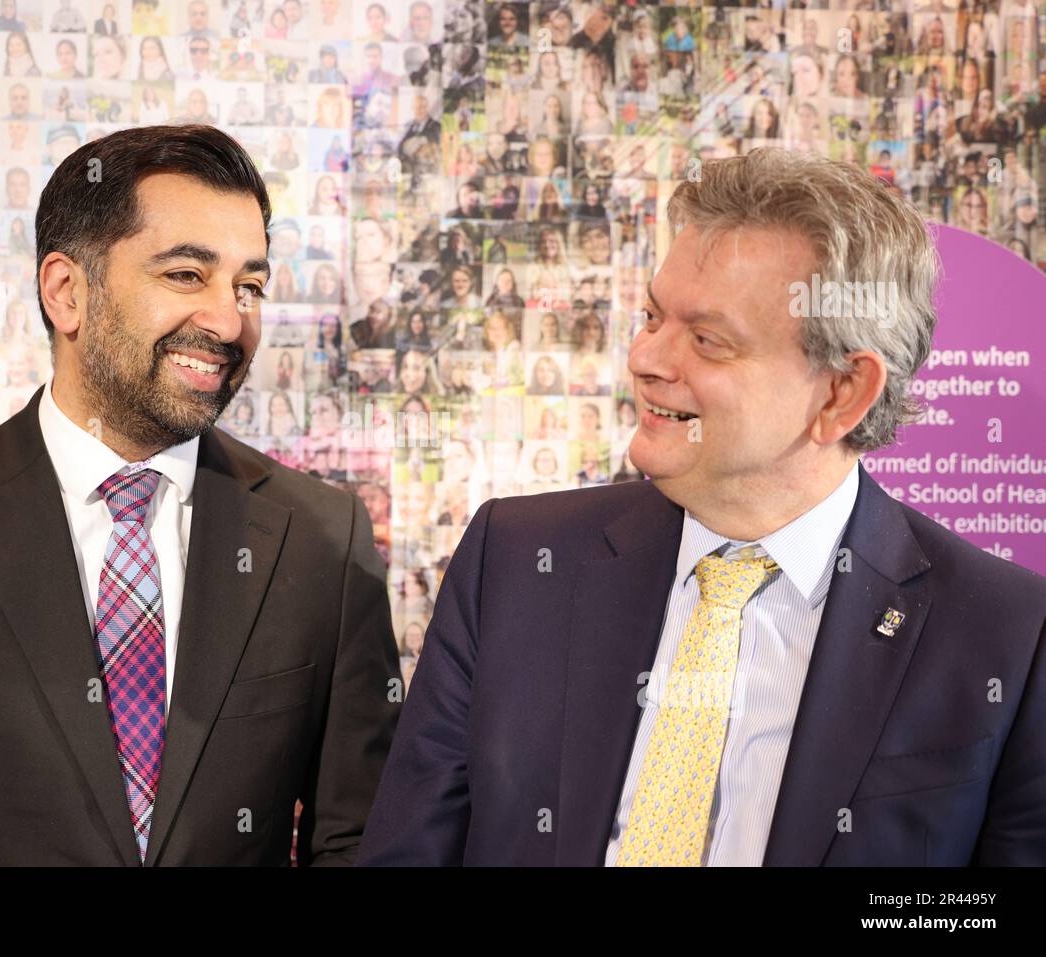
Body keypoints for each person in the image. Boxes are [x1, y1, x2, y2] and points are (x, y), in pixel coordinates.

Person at [358, 148, 1046, 866]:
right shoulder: (516, 562)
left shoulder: (1005, 633)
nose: (647, 357)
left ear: (842, 393)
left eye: (707, 340)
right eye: (653, 316)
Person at [0, 125, 401, 867]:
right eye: (187, 275)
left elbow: (363, 849)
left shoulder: (324, 539)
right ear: (67, 292)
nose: (229, 321)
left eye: (248, 286)